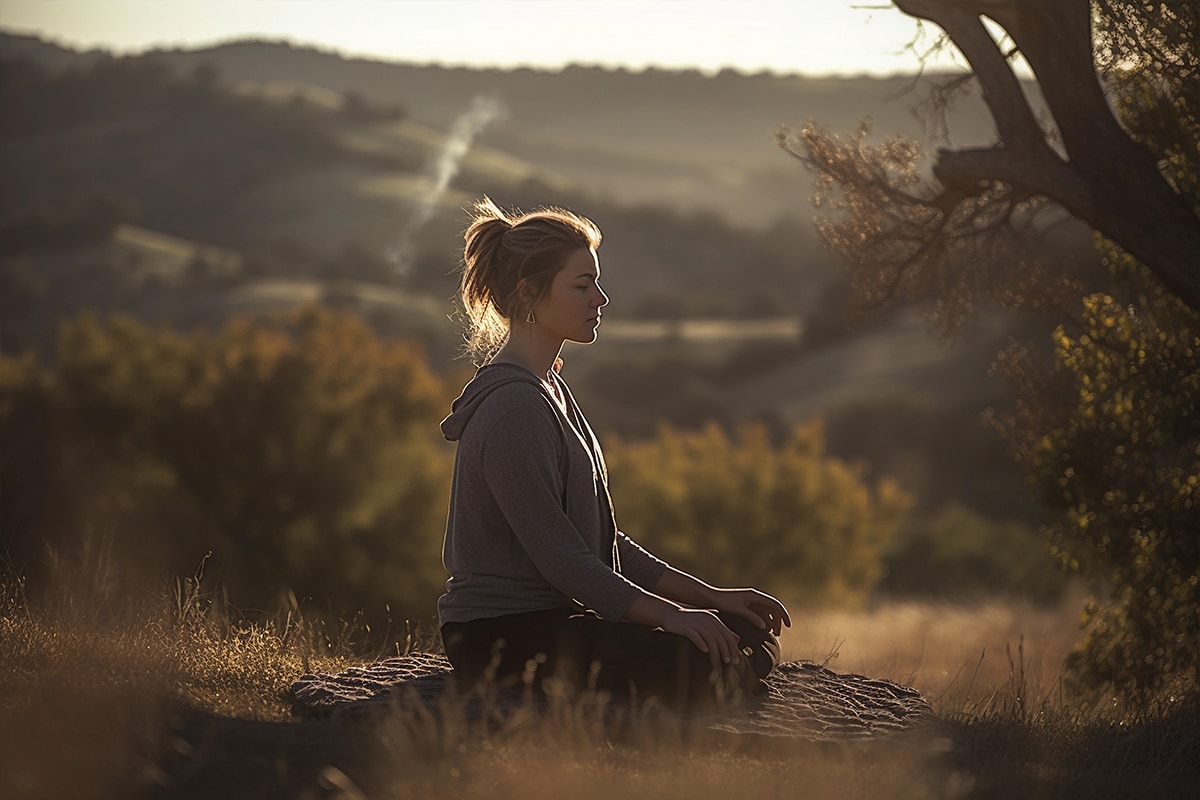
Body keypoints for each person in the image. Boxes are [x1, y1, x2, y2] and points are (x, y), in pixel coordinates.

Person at [437, 197, 790, 710]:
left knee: (739, 631)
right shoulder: (515, 408)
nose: (600, 298)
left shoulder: (548, 388)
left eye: (595, 283)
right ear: (530, 293)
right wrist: (672, 616)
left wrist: (710, 598)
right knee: (709, 663)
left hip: (552, 620)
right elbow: (563, 558)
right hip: (499, 636)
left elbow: (602, 542)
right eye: (582, 286)